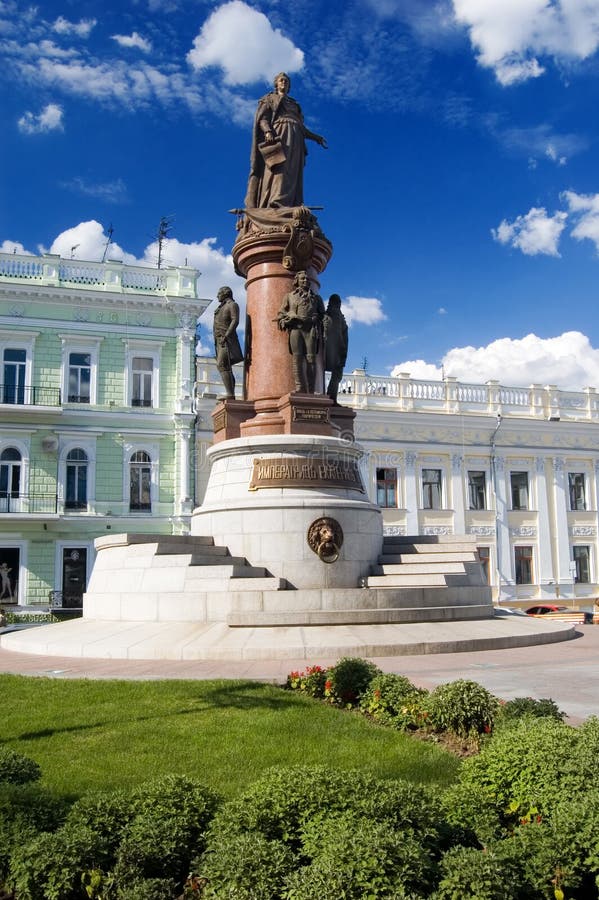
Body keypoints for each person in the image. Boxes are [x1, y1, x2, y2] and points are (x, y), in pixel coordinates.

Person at [245, 72, 327, 210]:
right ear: (276, 84)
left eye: (286, 81)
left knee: (292, 170)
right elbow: (263, 118)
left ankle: (291, 203)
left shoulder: (294, 104)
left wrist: (316, 138)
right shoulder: (269, 99)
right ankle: (275, 201)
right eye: (281, 80)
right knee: (278, 167)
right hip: (279, 133)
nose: (284, 83)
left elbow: (301, 127)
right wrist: (268, 131)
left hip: (296, 138)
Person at [277, 271, 325, 393]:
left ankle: (312, 389)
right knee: (297, 358)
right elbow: (281, 313)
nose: (305, 281)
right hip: (296, 329)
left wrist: (316, 318)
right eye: (302, 279)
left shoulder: (316, 298)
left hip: (311, 329)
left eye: (307, 279)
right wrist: (290, 315)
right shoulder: (289, 296)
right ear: (297, 281)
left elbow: (323, 315)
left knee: (311, 359)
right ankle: (300, 387)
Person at [213, 287, 243, 399]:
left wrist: (226, 336)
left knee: (222, 365)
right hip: (219, 340)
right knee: (225, 366)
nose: (217, 296)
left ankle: (230, 394)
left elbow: (235, 320)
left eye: (219, 293)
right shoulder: (221, 307)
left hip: (227, 339)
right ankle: (231, 394)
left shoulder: (232, 305)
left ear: (226, 294)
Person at [323, 294, 348, 402]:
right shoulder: (336, 315)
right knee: (337, 375)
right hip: (336, 350)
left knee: (333, 375)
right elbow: (339, 335)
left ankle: (325, 396)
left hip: (332, 350)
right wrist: (342, 352)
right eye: (339, 303)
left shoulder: (330, 314)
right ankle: (331, 398)